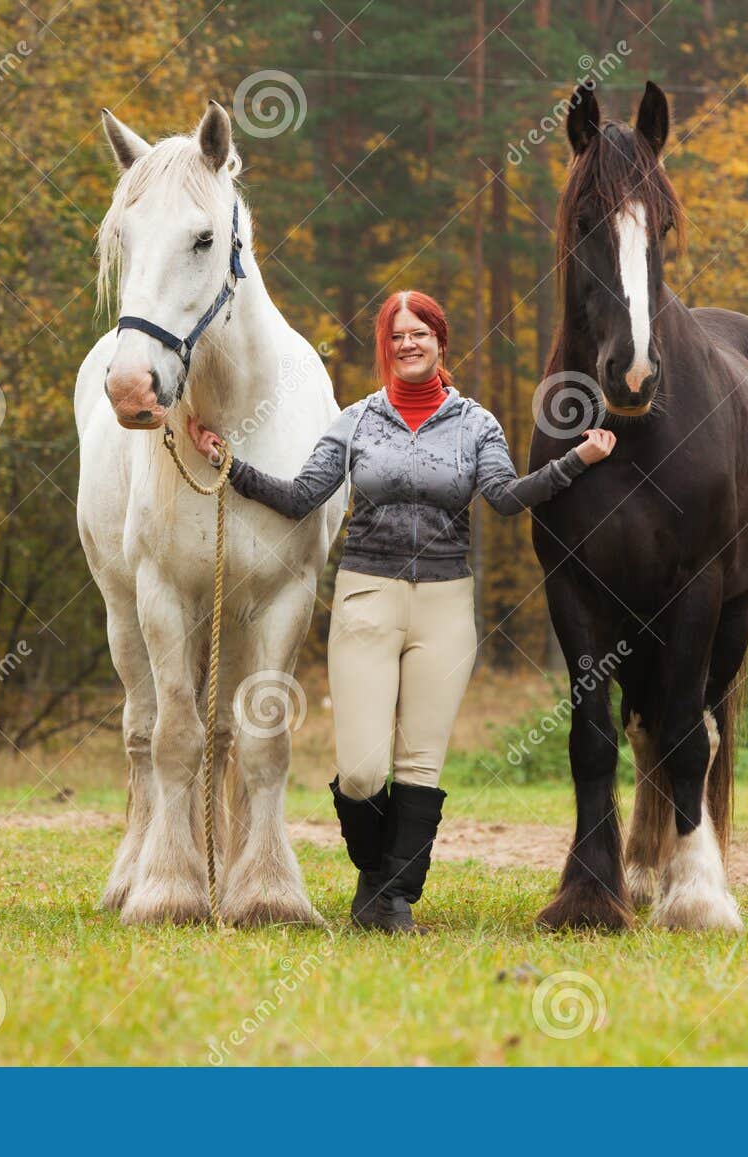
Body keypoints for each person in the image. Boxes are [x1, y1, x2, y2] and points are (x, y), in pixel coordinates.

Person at [188, 289, 615, 932]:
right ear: (385, 348)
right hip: (366, 597)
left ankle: (391, 902)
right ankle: (378, 874)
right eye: (396, 336)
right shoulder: (356, 421)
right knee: (361, 772)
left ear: (441, 342)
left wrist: (576, 460)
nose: (408, 344)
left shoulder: (476, 425)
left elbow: (504, 497)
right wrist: (229, 464)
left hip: (445, 606)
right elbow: (302, 497)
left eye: (420, 333)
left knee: (419, 767)